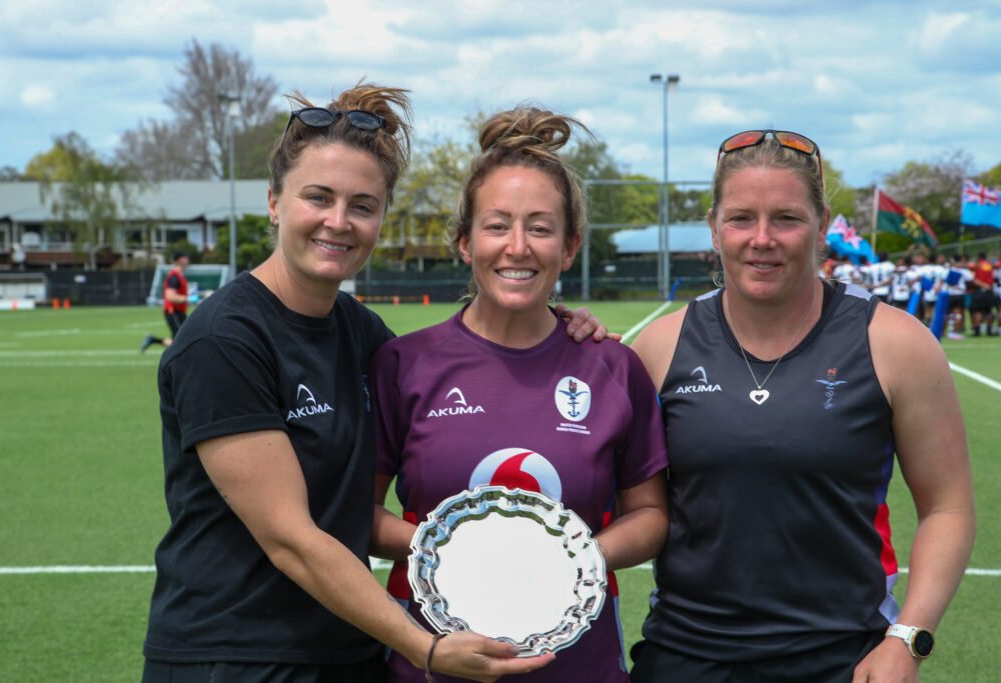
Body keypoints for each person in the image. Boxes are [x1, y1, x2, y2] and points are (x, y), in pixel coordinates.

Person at [141, 83, 614, 683]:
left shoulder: (362, 333)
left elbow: (471, 358)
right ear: (273, 202)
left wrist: (562, 326)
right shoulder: (224, 340)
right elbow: (291, 538)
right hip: (235, 655)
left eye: (362, 205)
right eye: (318, 197)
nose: (338, 222)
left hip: (347, 647)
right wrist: (426, 647)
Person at [628, 129, 975, 682]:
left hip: (845, 658)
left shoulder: (897, 344)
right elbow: (631, 504)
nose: (762, 238)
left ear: (820, 228)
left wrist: (906, 640)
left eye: (786, 218)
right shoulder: (657, 347)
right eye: (741, 218)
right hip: (686, 657)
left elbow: (949, 509)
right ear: (715, 227)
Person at [369, 106, 670, 683]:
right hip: (431, 668)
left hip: (578, 667)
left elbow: (652, 515)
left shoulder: (611, 366)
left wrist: (561, 557)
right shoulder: (404, 365)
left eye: (539, 227)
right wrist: (462, 551)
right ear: (464, 241)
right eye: (497, 224)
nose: (517, 246)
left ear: (569, 247)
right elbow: (358, 513)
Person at [140, 249, 192, 351]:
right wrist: (187, 299)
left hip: (179, 312)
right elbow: (170, 296)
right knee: (182, 340)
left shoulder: (180, 276)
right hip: (173, 312)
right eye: (185, 257)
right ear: (180, 260)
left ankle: (153, 340)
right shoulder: (174, 277)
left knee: (179, 340)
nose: (187, 259)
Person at [968, 251, 997, 336]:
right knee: (989, 311)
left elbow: (972, 277)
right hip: (989, 290)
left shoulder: (976, 265)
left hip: (979, 290)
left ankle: (977, 331)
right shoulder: (990, 265)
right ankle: (989, 330)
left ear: (978, 257)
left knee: (978, 311)